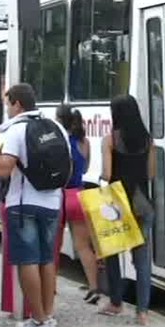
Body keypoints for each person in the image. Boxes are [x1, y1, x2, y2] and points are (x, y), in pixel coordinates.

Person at [0, 83, 67, 327]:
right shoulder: (56, 127)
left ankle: (38, 320)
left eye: (8, 103)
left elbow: (3, 169)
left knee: (27, 261)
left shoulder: (16, 131)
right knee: (48, 259)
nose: (7, 109)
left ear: (17, 104)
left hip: (23, 203)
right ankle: (49, 314)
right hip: (52, 201)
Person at [97, 95, 157, 325]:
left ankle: (116, 303)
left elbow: (107, 173)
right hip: (142, 203)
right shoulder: (148, 140)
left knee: (112, 253)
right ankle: (142, 312)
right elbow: (151, 173)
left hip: (118, 204)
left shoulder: (110, 140)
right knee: (142, 261)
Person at [55, 104, 100, 304]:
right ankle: (94, 287)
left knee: (53, 246)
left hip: (61, 195)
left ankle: (50, 285)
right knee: (83, 246)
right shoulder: (84, 142)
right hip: (79, 195)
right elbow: (87, 166)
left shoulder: (59, 141)